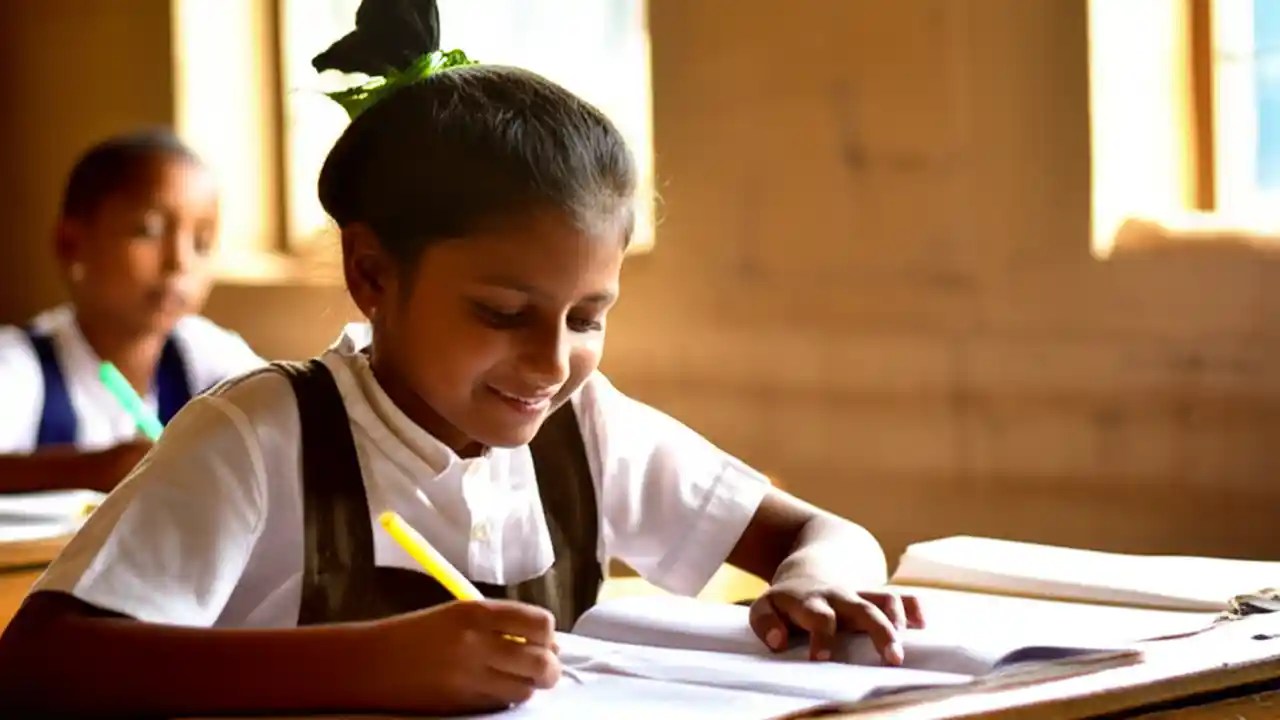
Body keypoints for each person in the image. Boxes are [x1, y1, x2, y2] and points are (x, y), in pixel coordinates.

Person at [0, 2, 921, 716]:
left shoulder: (582, 432)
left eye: (588, 317)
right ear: (371, 274)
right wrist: (370, 664)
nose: (551, 361)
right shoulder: (259, 437)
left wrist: (816, 580)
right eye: (502, 313)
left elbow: (825, 535)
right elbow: (43, 661)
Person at [0, 130, 263, 493]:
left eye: (202, 243)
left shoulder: (205, 355)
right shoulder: (22, 365)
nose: (180, 262)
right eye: (148, 231)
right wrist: (97, 470)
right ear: (70, 245)